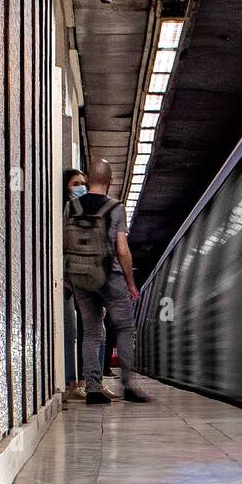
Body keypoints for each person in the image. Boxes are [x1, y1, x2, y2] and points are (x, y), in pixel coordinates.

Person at [64, 158, 149, 403]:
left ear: (88, 180)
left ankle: (92, 389)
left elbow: (64, 243)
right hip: (109, 275)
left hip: (80, 276)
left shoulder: (71, 207)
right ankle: (129, 385)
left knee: (91, 331)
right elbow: (122, 249)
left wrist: (69, 275)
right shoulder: (116, 208)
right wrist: (131, 282)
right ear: (110, 182)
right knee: (124, 327)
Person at [62, 169, 87, 399]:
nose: (81, 187)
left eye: (83, 183)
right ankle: (71, 383)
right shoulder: (64, 213)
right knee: (70, 331)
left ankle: (86, 382)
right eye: (75, 183)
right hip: (67, 281)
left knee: (91, 330)